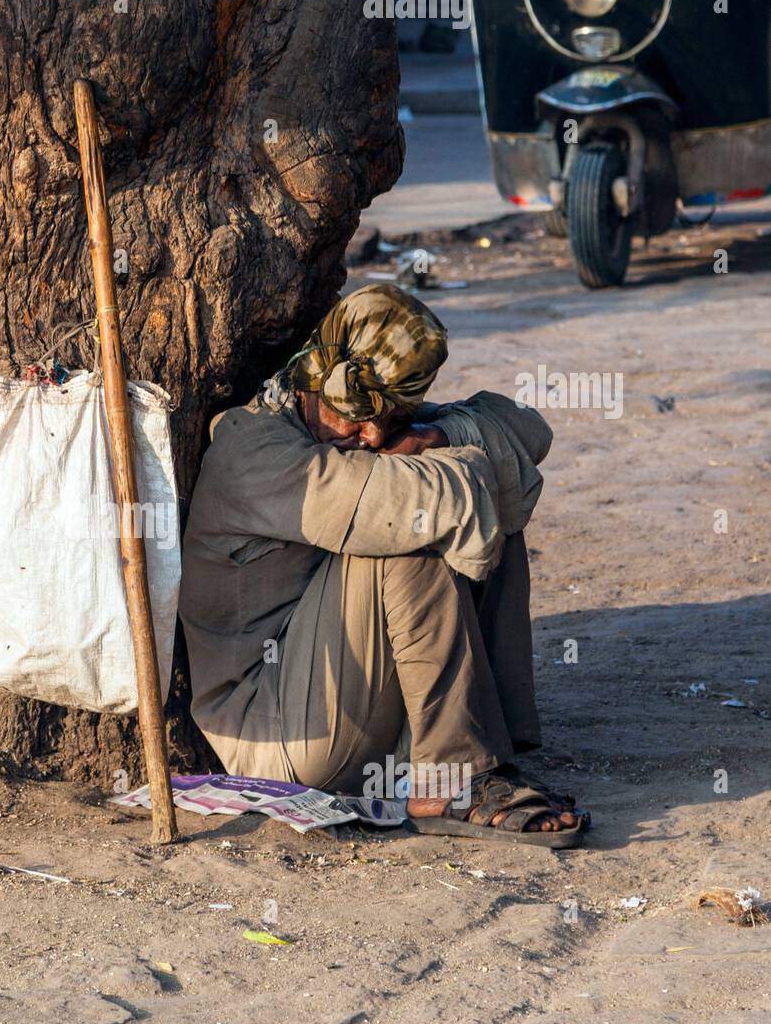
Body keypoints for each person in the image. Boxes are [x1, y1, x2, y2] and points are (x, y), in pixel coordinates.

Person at [177, 283, 587, 846]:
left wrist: (434, 434)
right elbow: (423, 501)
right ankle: (450, 777)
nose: (373, 436)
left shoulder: (369, 421)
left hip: (338, 704)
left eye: (392, 418)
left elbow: (529, 429)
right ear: (317, 381)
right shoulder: (253, 450)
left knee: (469, 496)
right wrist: (465, 457)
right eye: (359, 417)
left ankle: (486, 755)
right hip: (278, 731)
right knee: (418, 520)